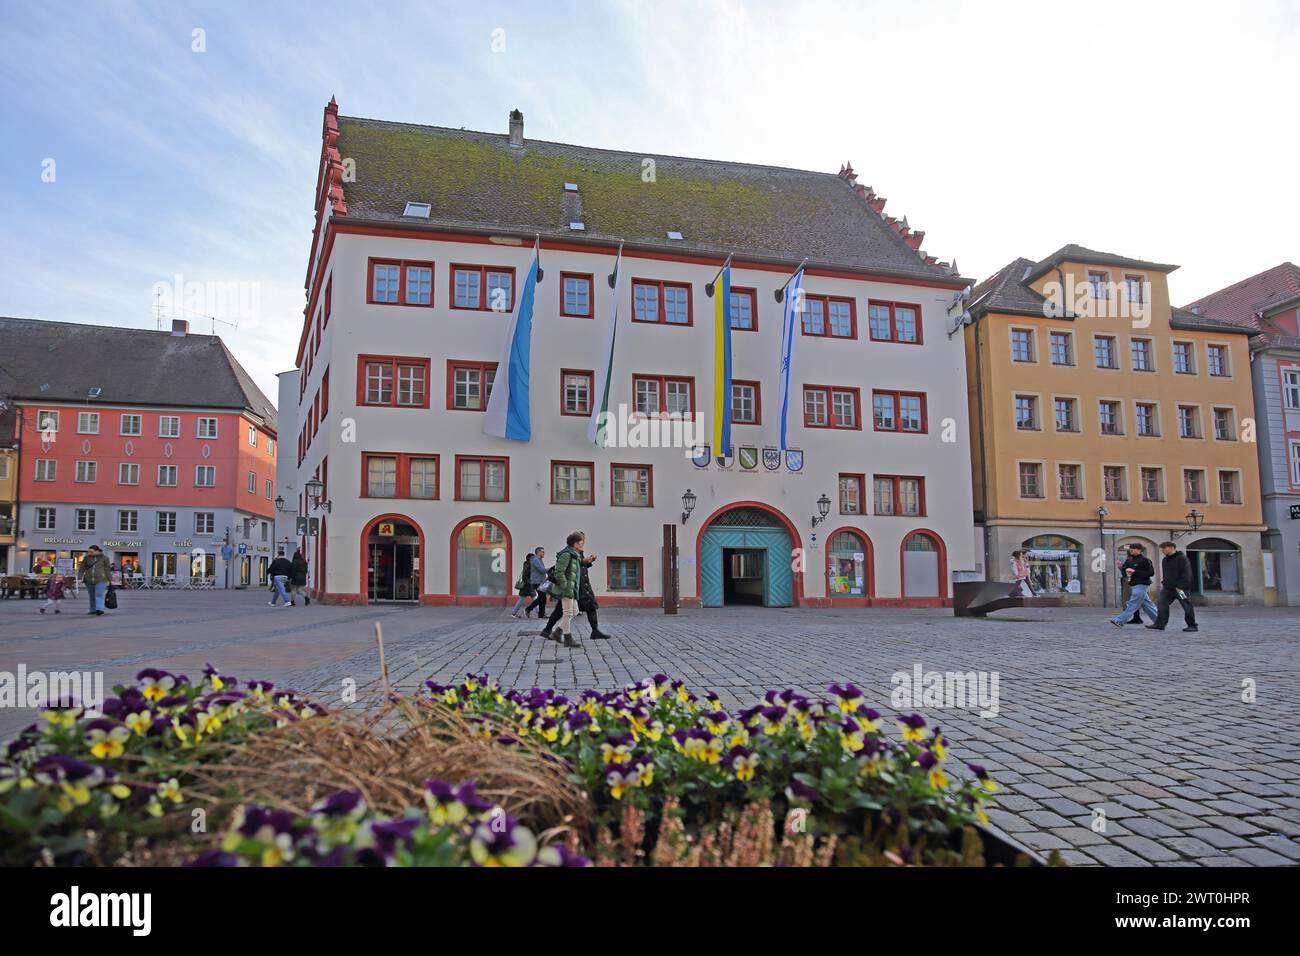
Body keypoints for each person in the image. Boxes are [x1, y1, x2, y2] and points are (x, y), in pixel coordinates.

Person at [541, 532, 584, 648]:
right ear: (575, 544)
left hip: (571, 588)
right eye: (581, 543)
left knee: (574, 612)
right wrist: (564, 585)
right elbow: (559, 572)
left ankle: (557, 632)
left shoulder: (575, 555)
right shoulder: (567, 555)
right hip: (566, 589)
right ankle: (567, 638)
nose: (582, 545)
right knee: (568, 613)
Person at [1146, 541, 1199, 633]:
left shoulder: (1182, 559)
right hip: (1167, 589)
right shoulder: (1165, 559)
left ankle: (1192, 625)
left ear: (1171, 548)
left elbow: (1187, 574)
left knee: (1186, 605)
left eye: (1164, 548)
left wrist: (1181, 586)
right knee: (1161, 604)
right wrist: (1164, 583)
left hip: (1181, 589)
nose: (1162, 550)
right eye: (1161, 548)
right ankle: (1160, 624)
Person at [1109, 543, 1159, 628]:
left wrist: (1134, 571)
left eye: (1134, 548)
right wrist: (1121, 568)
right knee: (1147, 604)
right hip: (1132, 584)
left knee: (1133, 603)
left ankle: (1119, 620)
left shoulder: (1145, 560)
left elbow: (1150, 573)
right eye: (1130, 548)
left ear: (1139, 550)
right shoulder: (1129, 560)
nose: (1131, 550)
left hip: (1142, 584)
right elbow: (1125, 573)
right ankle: (1159, 621)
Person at [511, 547, 548, 618]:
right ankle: (520, 611)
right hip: (528, 585)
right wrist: (531, 583)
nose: (534, 559)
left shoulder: (533, 563)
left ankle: (540, 613)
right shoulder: (528, 565)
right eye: (532, 558)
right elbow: (525, 576)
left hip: (531, 584)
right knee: (527, 599)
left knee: (539, 598)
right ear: (530, 559)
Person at [79, 545, 112, 616]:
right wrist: (79, 578)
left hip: (101, 579)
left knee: (98, 594)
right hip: (88, 579)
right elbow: (82, 568)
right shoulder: (86, 558)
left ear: (97, 551)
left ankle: (99, 609)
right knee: (91, 596)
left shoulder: (105, 558)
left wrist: (110, 580)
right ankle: (93, 610)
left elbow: (107, 569)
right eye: (89, 551)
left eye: (91, 551)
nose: (89, 553)